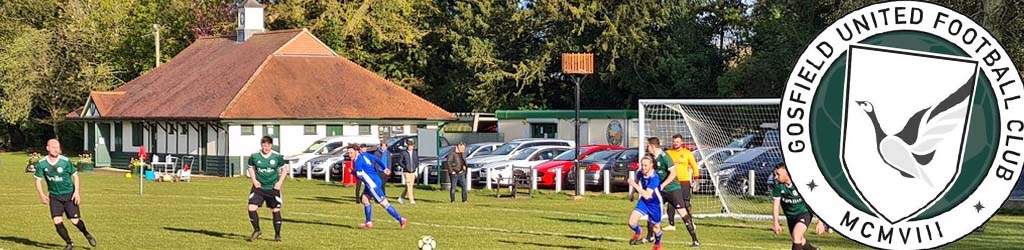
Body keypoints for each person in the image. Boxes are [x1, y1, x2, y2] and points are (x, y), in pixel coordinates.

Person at [35, 139, 96, 250]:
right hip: (54, 196)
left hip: (69, 195)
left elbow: (75, 176)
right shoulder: (42, 163)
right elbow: (38, 180)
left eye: (57, 147)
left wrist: (76, 192)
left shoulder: (65, 161)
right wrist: (42, 195)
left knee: (74, 221)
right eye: (53, 147)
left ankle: (86, 233)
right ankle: (69, 243)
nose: (56, 149)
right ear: (47, 148)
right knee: (57, 221)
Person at [646, 137, 699, 247]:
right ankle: (649, 236)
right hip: (660, 191)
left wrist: (663, 185)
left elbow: (673, 173)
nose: (647, 147)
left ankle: (695, 240)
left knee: (683, 213)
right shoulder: (652, 157)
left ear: (652, 146)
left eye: (648, 145)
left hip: (673, 189)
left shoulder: (664, 157)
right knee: (652, 209)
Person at [349, 144, 408, 229]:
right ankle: (368, 223)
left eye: (351, 153)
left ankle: (401, 220)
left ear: (356, 151)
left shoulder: (358, 162)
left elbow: (360, 176)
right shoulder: (365, 155)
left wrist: (352, 172)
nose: (349, 155)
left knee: (384, 203)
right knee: (365, 199)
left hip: (372, 184)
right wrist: (384, 168)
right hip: (376, 180)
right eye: (348, 153)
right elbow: (377, 159)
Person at [772, 163, 826, 250]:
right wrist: (775, 223)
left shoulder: (801, 183)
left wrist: (820, 222)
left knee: (796, 235)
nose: (775, 177)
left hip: (804, 213)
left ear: (787, 173)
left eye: (778, 174)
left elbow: (816, 201)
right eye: (775, 174)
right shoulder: (778, 187)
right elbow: (776, 205)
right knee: (799, 240)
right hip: (790, 217)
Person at [246, 136, 288, 242]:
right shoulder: (255, 156)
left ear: (271, 145)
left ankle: (277, 235)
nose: (266, 148)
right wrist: (254, 180)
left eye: (268, 145)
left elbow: (284, 169)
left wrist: (279, 183)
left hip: (273, 188)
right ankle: (257, 230)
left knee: (275, 210)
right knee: (251, 207)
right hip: (259, 188)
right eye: (264, 145)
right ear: (261, 145)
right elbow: (250, 167)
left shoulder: (277, 156)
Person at [665, 134, 700, 231]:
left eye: (677, 142)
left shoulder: (687, 153)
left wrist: (696, 179)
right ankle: (671, 224)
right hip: (672, 182)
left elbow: (694, 166)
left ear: (681, 142)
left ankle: (690, 222)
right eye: (674, 141)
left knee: (686, 203)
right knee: (671, 203)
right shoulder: (668, 153)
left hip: (684, 182)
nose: (675, 143)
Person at [628, 155, 663, 250]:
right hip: (644, 202)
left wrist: (634, 185)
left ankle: (658, 243)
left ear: (651, 165)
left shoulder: (655, 178)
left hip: (655, 204)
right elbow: (636, 181)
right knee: (631, 222)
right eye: (642, 165)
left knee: (656, 228)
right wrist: (632, 193)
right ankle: (638, 231)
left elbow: (647, 195)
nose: (643, 167)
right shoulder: (640, 172)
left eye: (646, 165)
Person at [398, 140, 419, 205]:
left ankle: (401, 197)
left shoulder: (415, 153)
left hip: (413, 171)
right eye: (409, 146)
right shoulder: (403, 153)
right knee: (409, 185)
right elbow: (400, 162)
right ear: (407, 146)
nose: (410, 147)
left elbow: (416, 161)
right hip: (406, 172)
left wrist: (415, 167)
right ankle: (411, 200)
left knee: (409, 186)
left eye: (412, 146)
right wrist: (405, 167)